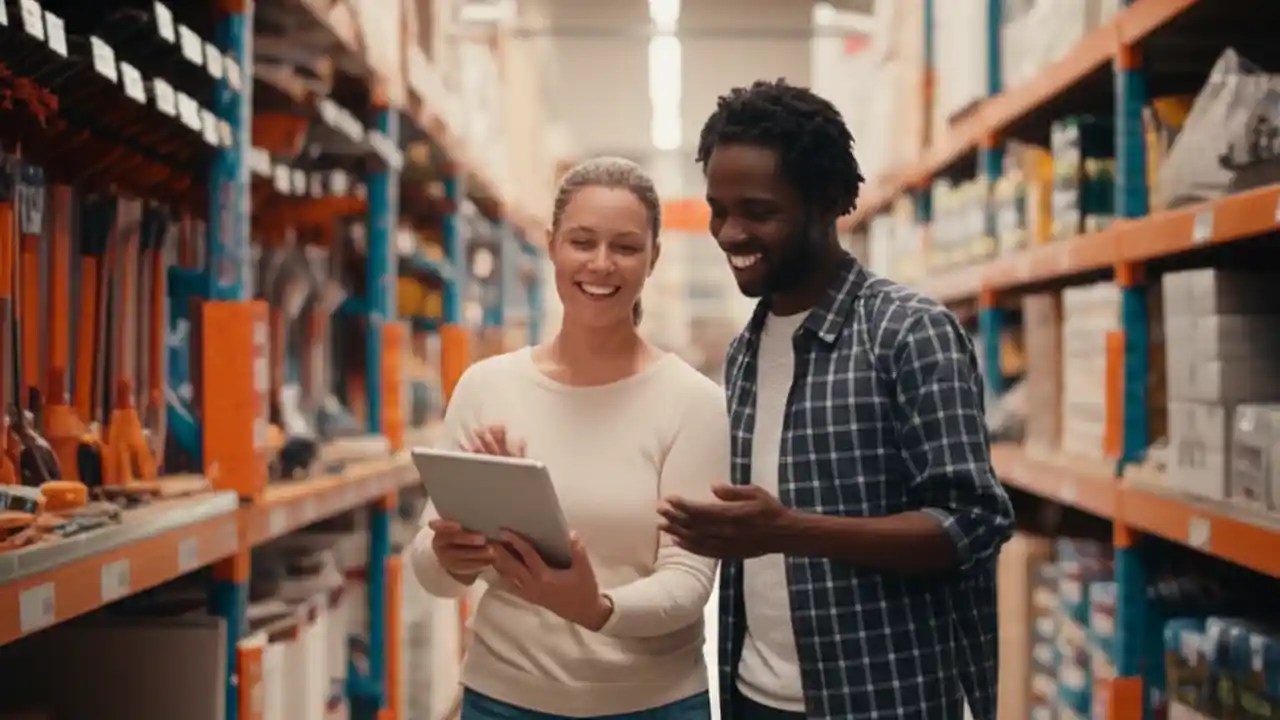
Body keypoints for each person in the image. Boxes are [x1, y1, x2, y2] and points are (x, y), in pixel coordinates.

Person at [658, 79, 1015, 720]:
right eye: (718, 208)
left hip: (881, 700)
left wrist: (791, 530)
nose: (730, 232)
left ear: (827, 203)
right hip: (754, 694)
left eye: (758, 211)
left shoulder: (908, 332)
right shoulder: (745, 352)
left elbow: (974, 521)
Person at [409, 156, 729, 720]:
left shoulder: (692, 403)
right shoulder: (489, 386)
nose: (600, 264)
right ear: (552, 245)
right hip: (504, 701)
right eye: (582, 242)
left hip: (652, 706)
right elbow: (431, 572)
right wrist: (450, 554)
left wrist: (596, 608)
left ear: (653, 258)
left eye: (625, 247)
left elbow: (689, 581)